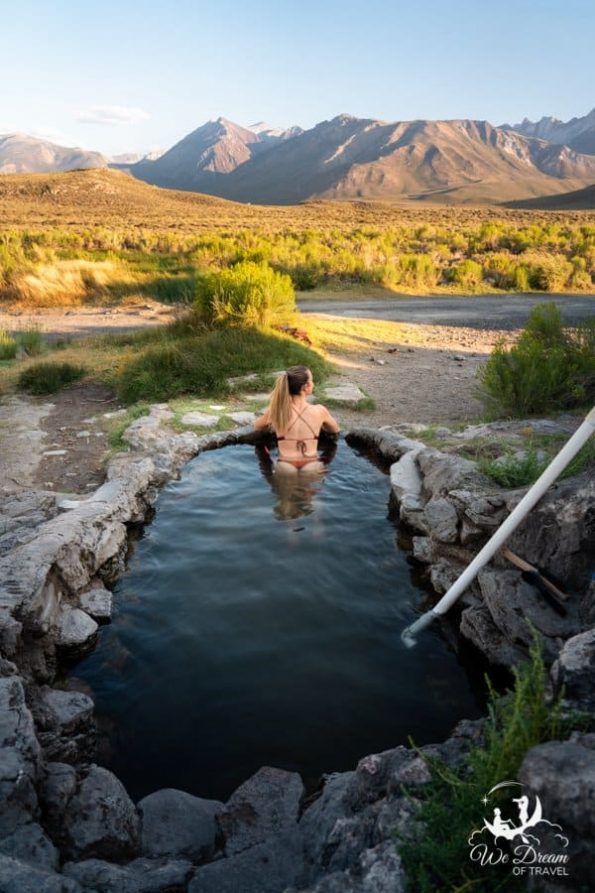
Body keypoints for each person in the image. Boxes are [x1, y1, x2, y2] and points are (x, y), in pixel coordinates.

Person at [254, 365, 340, 474]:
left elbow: (257, 426)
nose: (313, 384)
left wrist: (273, 428)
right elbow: (335, 430)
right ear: (306, 386)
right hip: (312, 465)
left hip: (285, 465)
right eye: (312, 381)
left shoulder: (276, 411)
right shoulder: (320, 411)